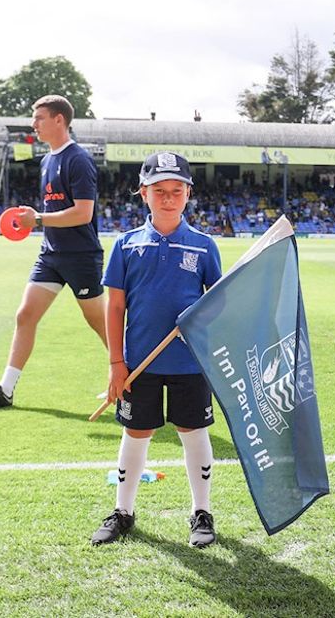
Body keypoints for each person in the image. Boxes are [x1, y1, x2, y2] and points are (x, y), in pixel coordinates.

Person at [91, 152, 223, 548]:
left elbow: (216, 303)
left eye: (177, 191)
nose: (168, 198)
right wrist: (116, 363)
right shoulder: (127, 245)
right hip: (138, 364)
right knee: (137, 432)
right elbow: (115, 306)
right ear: (143, 194)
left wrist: (198, 321)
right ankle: (123, 511)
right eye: (159, 191)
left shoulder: (203, 246)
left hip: (189, 363)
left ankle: (201, 511)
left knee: (193, 432)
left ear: (188, 195)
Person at [0, 95, 108, 407]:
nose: (34, 124)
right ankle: (5, 389)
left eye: (39, 118)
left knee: (100, 322)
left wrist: (39, 218)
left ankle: (129, 379)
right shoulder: (46, 161)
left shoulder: (78, 159)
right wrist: (36, 219)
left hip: (81, 255)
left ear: (60, 120)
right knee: (25, 315)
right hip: (51, 255)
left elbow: (83, 213)